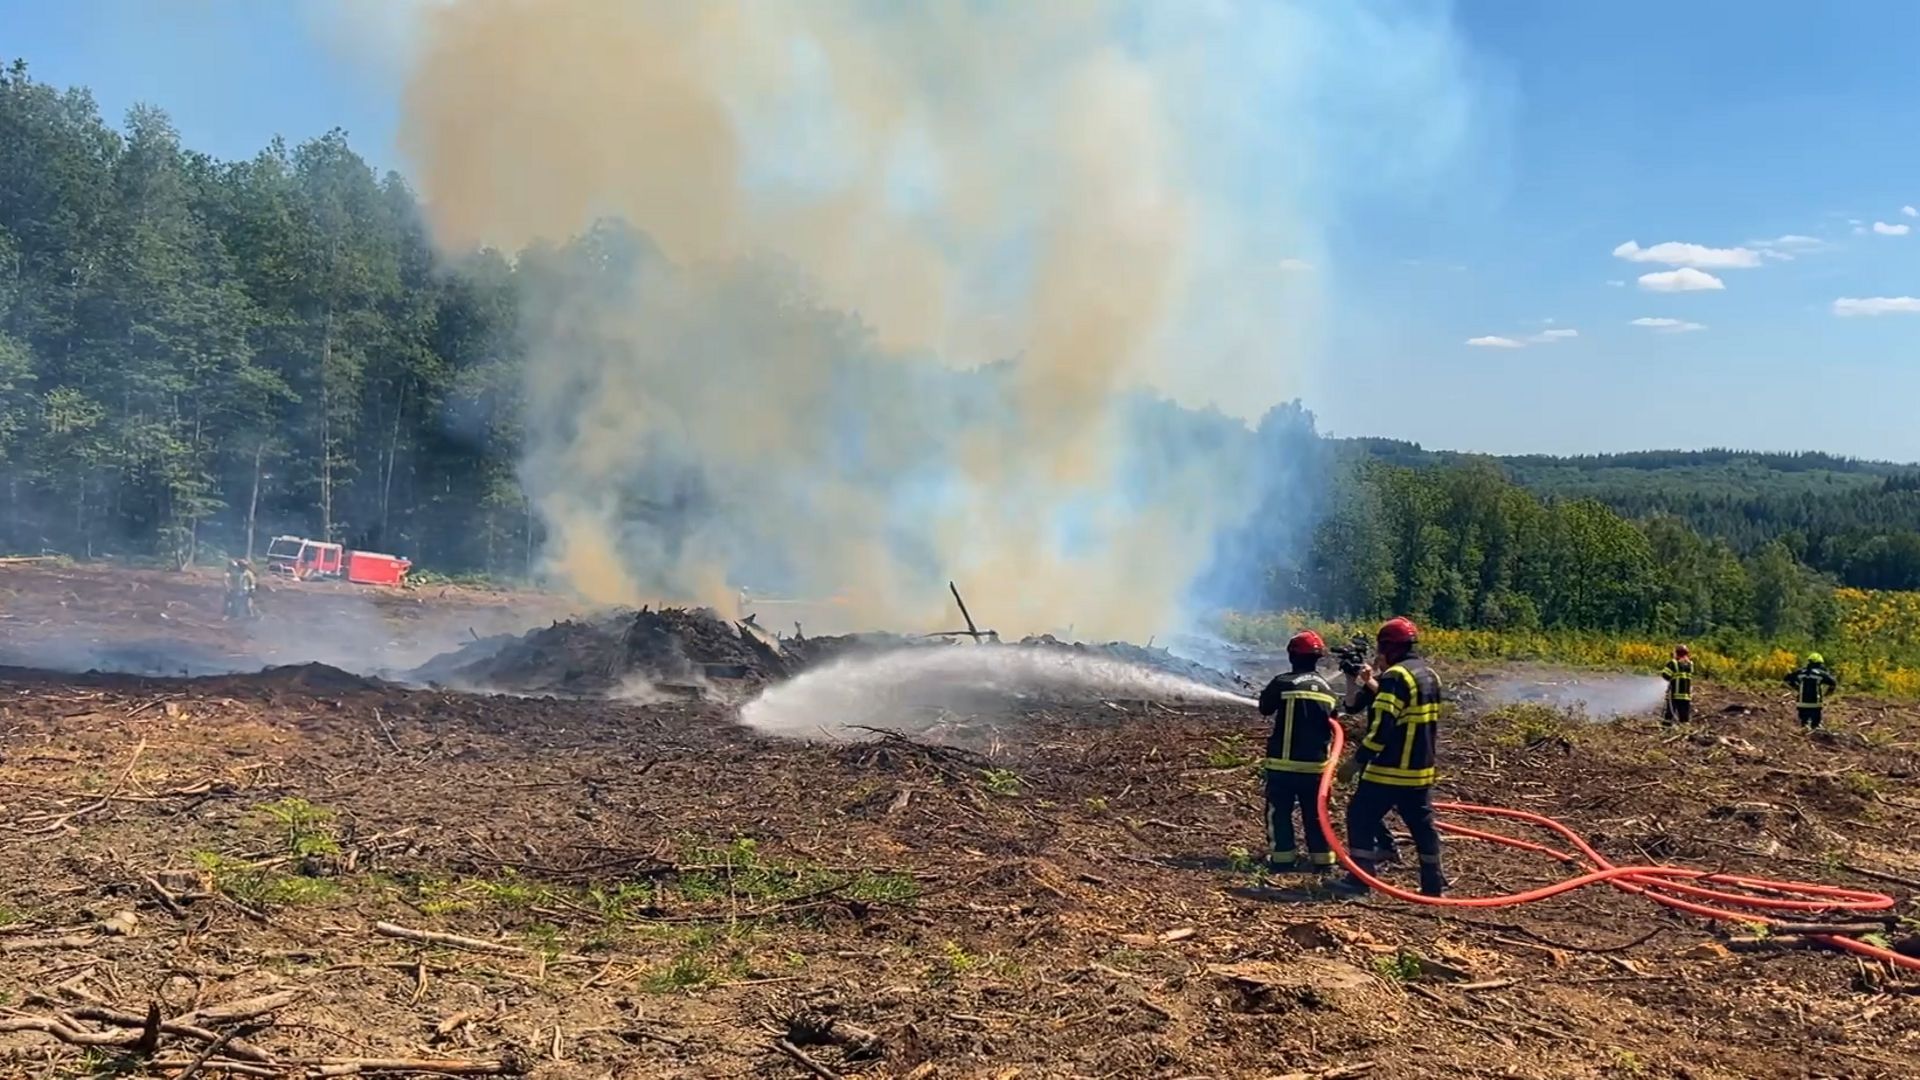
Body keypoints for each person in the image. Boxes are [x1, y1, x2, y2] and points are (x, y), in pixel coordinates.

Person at [1333, 616, 1446, 897]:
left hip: (1390, 768)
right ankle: (1433, 885)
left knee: (1360, 816)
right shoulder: (1429, 675)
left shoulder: (1396, 678)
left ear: (1388, 648)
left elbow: (1382, 729)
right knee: (1423, 828)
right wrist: (1366, 681)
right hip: (1421, 770)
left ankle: (1360, 879)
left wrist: (1355, 762)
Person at [1255, 631, 1340, 874]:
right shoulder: (1328, 691)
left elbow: (1265, 708)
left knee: (1279, 812)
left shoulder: (1283, 682)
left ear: (1292, 656)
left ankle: (1282, 859)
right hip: (1316, 768)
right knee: (1316, 814)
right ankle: (1323, 859)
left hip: (1283, 764)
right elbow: (1334, 720)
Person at [1784, 653, 1838, 730]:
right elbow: (1833, 682)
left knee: (1804, 723)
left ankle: (1804, 736)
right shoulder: (1821, 674)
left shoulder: (1800, 672)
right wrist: (1828, 693)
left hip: (1802, 703)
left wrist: (1797, 687)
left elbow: (1787, 679)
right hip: (1815, 704)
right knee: (1815, 724)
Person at [1660, 645, 1694, 726]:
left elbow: (1665, 675)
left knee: (1670, 714)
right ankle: (1685, 730)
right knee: (1684, 715)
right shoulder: (1690, 664)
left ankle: (1666, 729)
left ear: (1676, 653)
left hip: (1674, 694)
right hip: (1686, 695)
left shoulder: (1673, 663)